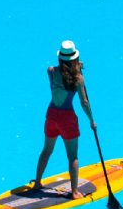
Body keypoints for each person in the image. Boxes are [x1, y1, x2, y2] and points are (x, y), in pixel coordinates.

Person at [27, 40, 95, 199]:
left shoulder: (50, 71)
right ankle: (75, 192)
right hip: (67, 119)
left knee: (46, 150)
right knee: (73, 156)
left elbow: (60, 72)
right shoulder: (78, 78)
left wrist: (74, 67)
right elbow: (84, 102)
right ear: (75, 59)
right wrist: (92, 120)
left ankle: (37, 182)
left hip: (51, 115)